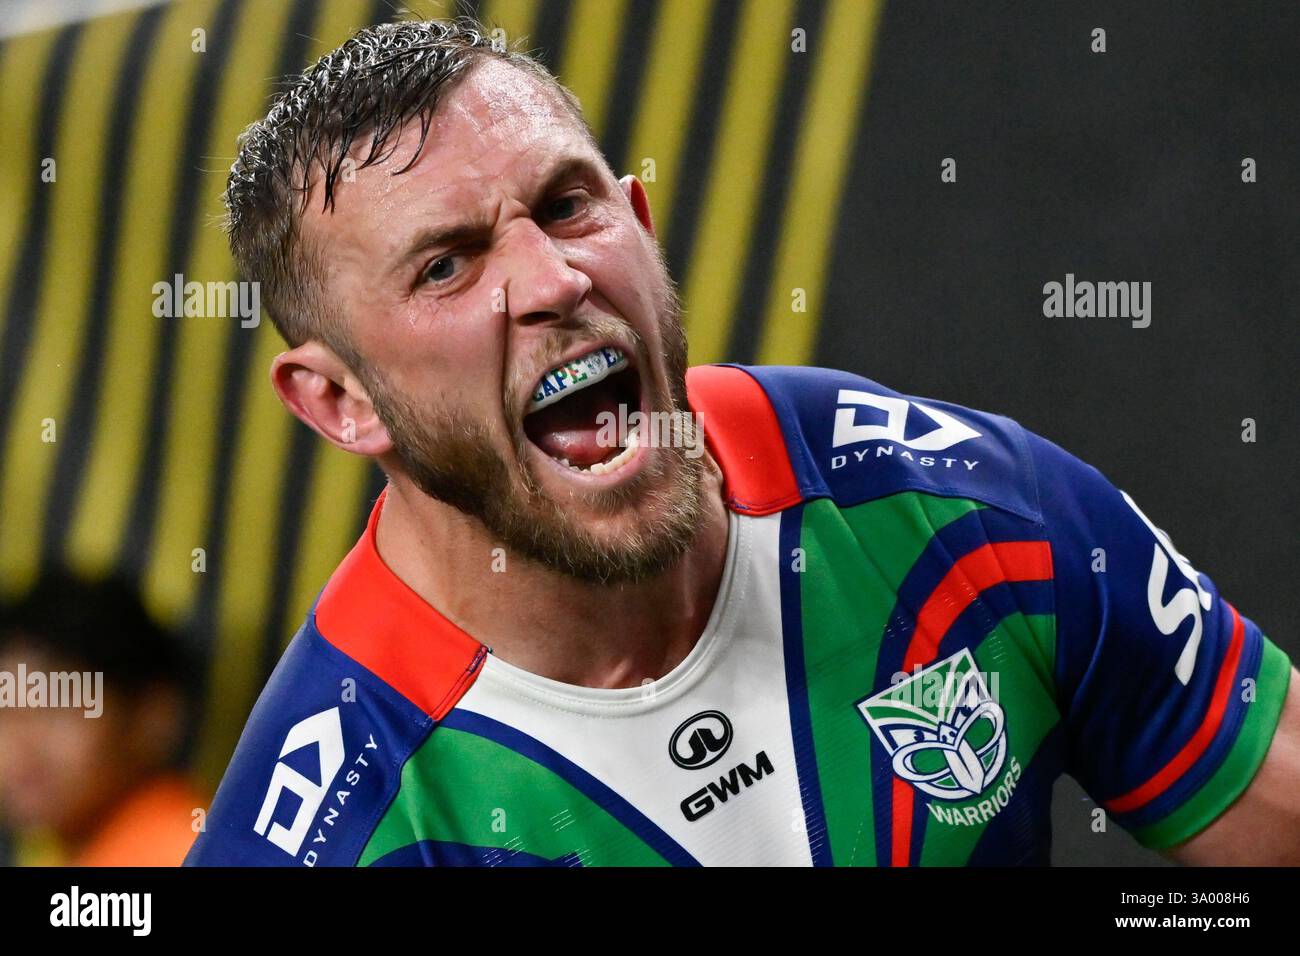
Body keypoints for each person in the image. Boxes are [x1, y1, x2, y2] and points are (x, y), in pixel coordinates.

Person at [185, 17, 1297, 866]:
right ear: (340, 403)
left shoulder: (944, 508)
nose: (555, 276)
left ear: (642, 226)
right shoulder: (340, 824)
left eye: (568, 206)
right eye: (446, 265)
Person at [0, 569, 205, 866]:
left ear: (153, 715)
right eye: (6, 710)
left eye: (61, 704)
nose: (22, 743)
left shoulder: (187, 853)